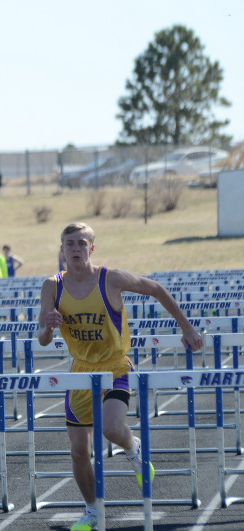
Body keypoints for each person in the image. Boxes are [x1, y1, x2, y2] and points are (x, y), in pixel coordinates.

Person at [37, 222, 203, 531]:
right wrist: (48, 327)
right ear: (61, 249)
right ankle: (92, 510)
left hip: (115, 366)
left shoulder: (110, 278)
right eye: (69, 243)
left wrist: (187, 327)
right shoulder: (52, 286)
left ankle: (133, 449)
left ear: (91, 248)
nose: (75, 249)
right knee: (78, 452)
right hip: (80, 373)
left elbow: (156, 289)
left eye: (81, 243)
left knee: (112, 428)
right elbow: (42, 338)